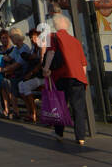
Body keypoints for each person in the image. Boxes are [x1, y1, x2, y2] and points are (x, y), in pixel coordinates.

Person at [43, 13, 89, 146]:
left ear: (56, 24)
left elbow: (51, 53)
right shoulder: (75, 40)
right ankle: (80, 137)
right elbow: (83, 64)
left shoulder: (53, 36)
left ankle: (59, 133)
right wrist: (83, 78)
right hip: (78, 78)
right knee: (78, 108)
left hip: (63, 76)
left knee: (61, 106)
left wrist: (46, 68)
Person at [18, 28, 43, 122]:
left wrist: (31, 73)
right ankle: (30, 110)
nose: (33, 39)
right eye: (31, 37)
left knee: (26, 85)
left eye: (35, 37)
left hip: (41, 76)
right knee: (20, 85)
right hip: (34, 75)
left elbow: (41, 64)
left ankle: (34, 113)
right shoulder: (33, 48)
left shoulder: (41, 48)